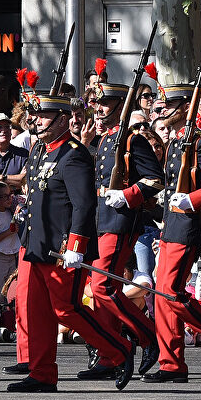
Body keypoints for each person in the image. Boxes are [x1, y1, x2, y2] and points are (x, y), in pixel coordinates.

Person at [7, 92, 134, 393]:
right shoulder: (41, 149)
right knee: (38, 311)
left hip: (62, 249)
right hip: (38, 243)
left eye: (44, 116)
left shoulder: (74, 153)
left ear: (62, 120)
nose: (36, 120)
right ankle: (42, 374)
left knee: (67, 309)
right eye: (36, 115)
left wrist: (76, 246)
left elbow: (83, 205)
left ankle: (119, 350)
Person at [143, 84, 201, 384]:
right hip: (171, 225)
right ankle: (171, 364)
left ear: (184, 107)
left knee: (171, 293)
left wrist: (193, 199)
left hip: (188, 227)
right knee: (162, 295)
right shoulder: (176, 143)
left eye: (167, 106)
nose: (161, 112)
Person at [83, 82, 165, 380]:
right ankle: (108, 356)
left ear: (120, 105)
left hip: (120, 219)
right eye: (97, 102)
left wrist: (128, 195)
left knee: (103, 287)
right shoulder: (106, 139)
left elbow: (155, 180)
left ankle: (148, 336)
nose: (98, 107)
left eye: (104, 102)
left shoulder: (133, 141)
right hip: (100, 218)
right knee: (101, 289)